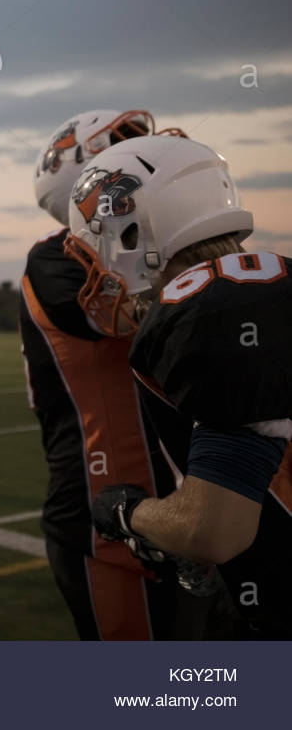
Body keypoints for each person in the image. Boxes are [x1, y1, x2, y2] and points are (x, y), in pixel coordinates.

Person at [66, 135, 291, 638]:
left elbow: (213, 531)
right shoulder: (259, 288)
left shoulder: (211, 312)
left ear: (129, 232)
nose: (98, 269)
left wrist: (128, 514)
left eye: (96, 248)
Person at [21, 110, 187, 640]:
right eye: (128, 153)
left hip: (190, 505)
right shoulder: (57, 260)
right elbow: (154, 315)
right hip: (110, 514)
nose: (149, 161)